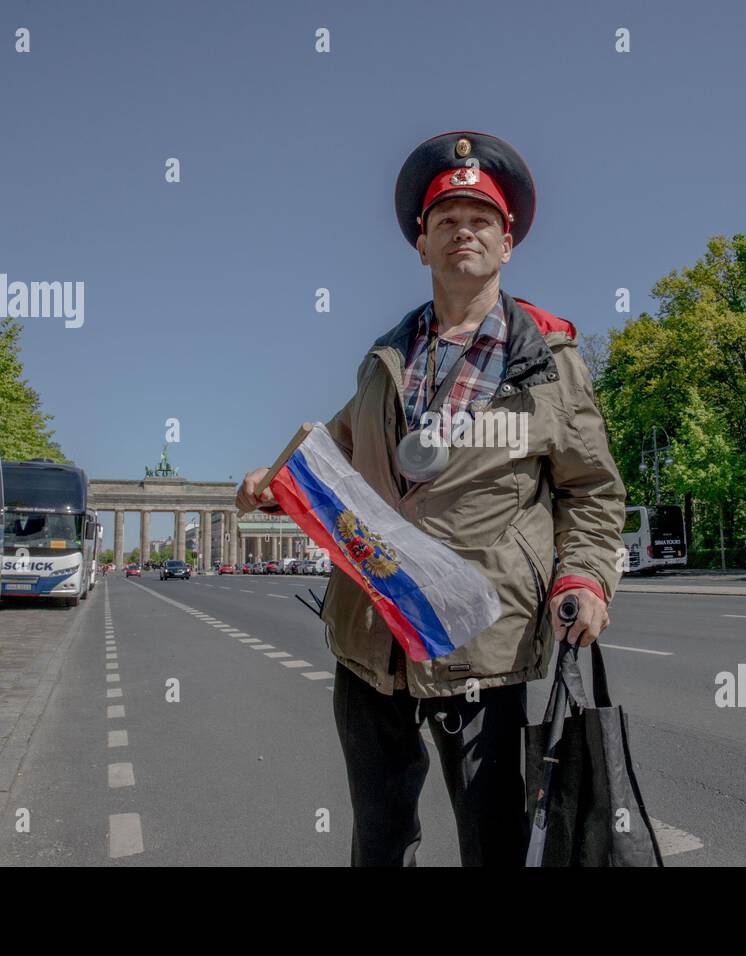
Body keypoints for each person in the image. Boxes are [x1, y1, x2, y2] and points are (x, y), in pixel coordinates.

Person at [235, 131, 626, 867]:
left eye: (480, 220)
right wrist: (272, 484)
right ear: (422, 245)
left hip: (481, 636)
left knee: (493, 839)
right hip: (371, 631)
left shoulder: (548, 363)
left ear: (507, 243)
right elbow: (340, 458)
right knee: (380, 837)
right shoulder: (386, 359)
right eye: (445, 221)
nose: (463, 233)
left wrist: (585, 577)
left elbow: (594, 491)